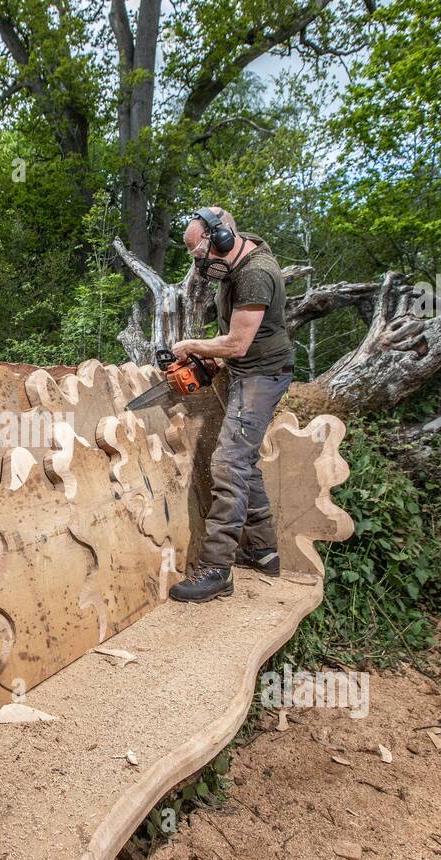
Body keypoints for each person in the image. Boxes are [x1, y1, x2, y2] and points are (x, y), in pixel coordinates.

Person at [168, 207, 294, 602]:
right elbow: (237, 342)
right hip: (247, 370)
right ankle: (262, 550)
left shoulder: (255, 274)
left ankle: (217, 568)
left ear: (219, 239)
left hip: (263, 375)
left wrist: (191, 345)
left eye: (197, 254)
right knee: (243, 459)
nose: (197, 264)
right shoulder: (233, 269)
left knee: (228, 461)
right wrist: (212, 357)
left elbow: (238, 343)